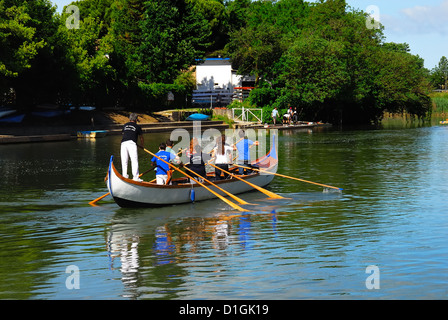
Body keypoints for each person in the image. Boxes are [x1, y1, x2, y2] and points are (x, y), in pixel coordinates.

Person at [121, 113, 144, 181]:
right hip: (131, 144)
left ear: (129, 119)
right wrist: (142, 145)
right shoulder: (137, 127)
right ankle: (136, 177)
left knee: (124, 161)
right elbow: (141, 137)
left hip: (123, 143)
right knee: (134, 160)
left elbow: (124, 133)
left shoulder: (125, 125)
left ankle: (124, 176)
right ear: (136, 119)